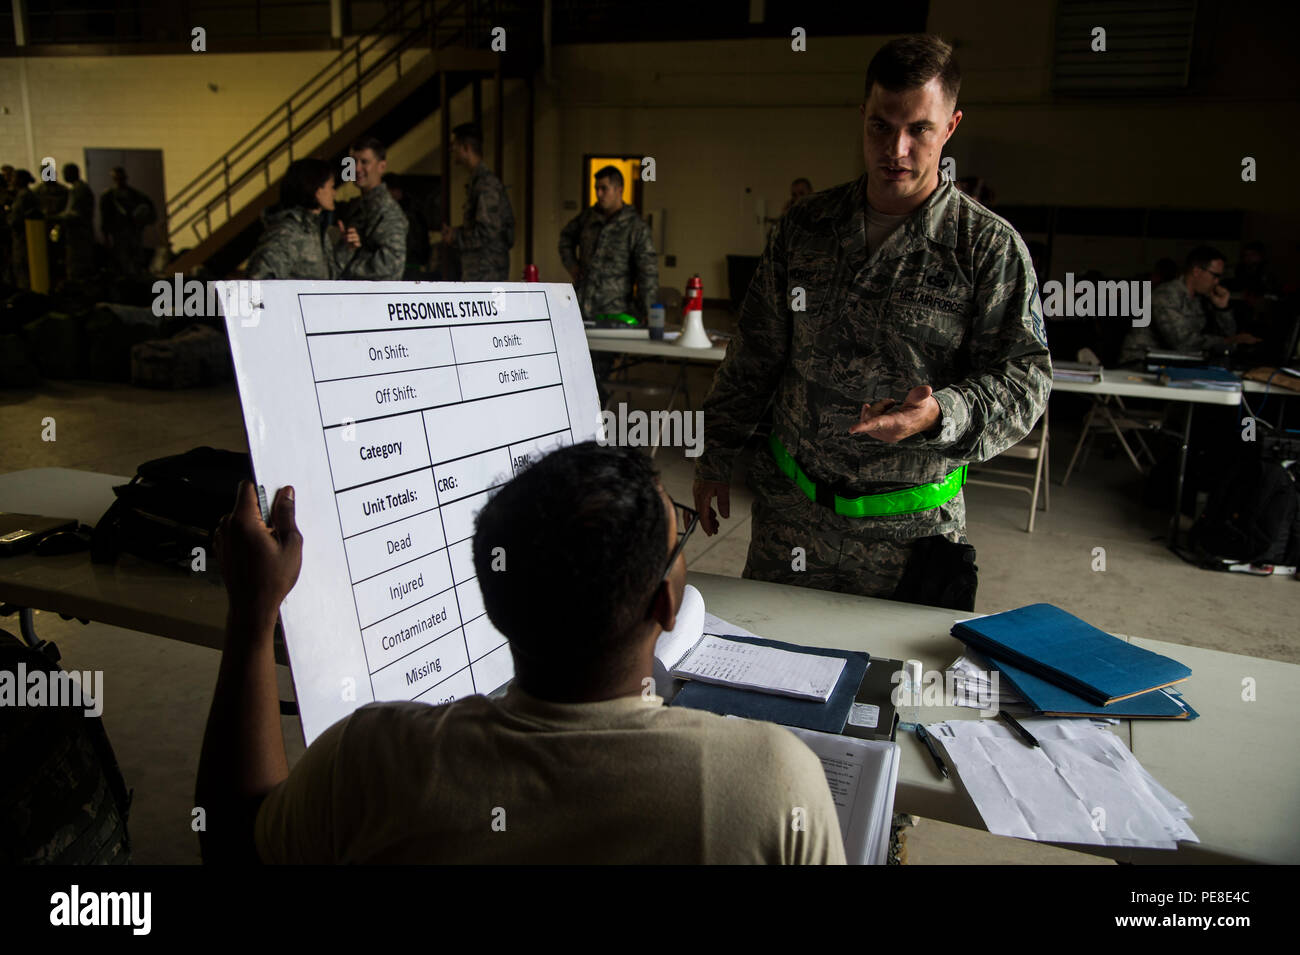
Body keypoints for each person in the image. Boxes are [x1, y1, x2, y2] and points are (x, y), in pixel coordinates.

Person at [196, 443, 844, 864]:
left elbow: (231, 841)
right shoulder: (772, 781)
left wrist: (254, 615)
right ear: (666, 607)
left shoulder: (366, 758)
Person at [694, 34, 1051, 610]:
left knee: (896, 690)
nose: (898, 149)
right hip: (792, 523)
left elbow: (1025, 382)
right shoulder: (806, 226)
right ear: (861, 115)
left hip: (909, 536)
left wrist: (939, 412)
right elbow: (755, 352)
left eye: (920, 130)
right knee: (766, 674)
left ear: (952, 126)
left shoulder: (986, 248)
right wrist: (715, 456)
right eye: (881, 126)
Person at [1118, 246, 1260, 365]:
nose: (1217, 282)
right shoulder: (1166, 295)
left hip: (1174, 362)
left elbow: (1228, 342)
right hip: (1140, 363)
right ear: (1197, 271)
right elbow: (1182, 343)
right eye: (1214, 275)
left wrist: (1221, 309)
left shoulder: (1202, 298)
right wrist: (1227, 341)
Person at [558, 165, 659, 320]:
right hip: (581, 307)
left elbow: (648, 273)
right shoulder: (588, 218)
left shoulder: (635, 227)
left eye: (604, 189)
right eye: (596, 189)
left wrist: (647, 313)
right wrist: (572, 265)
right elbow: (565, 238)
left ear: (619, 189)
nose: (599, 194)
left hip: (616, 311)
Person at [441, 123, 514, 281]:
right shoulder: (477, 181)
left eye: (455, 147)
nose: (452, 151)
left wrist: (455, 237)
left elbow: (488, 232)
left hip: (486, 272)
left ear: (466, 148)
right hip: (480, 269)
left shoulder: (485, 184)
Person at [246, 158, 340, 280]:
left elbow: (327, 278)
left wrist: (346, 249)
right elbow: (260, 278)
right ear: (317, 190)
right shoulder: (289, 232)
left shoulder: (316, 230)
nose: (334, 193)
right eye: (331, 187)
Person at [333, 137, 406, 280]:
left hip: (375, 296)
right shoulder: (360, 205)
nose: (357, 168)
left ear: (382, 166)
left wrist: (347, 267)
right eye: (353, 162)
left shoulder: (386, 209)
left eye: (364, 162)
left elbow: (391, 263)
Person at [99, 167, 155, 277]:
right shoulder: (109, 196)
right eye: (117, 179)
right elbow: (105, 218)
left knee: (134, 261)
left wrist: (141, 223)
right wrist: (106, 236)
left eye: (120, 178)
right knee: (121, 263)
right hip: (118, 234)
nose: (119, 181)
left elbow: (149, 212)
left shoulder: (136, 195)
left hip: (132, 232)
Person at [384, 172, 431, 277]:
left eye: (386, 192)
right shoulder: (411, 210)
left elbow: (414, 244)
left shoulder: (408, 214)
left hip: (406, 268)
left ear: (396, 191)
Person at [55, 164, 95, 282]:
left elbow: (74, 214)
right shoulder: (76, 189)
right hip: (77, 236)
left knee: (78, 268)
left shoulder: (79, 189)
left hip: (79, 237)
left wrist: (54, 217)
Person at [7, 170, 40, 290]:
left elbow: (16, 219)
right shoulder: (25, 194)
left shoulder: (23, 196)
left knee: (24, 273)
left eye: (14, 178)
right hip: (24, 240)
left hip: (23, 240)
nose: (11, 180)